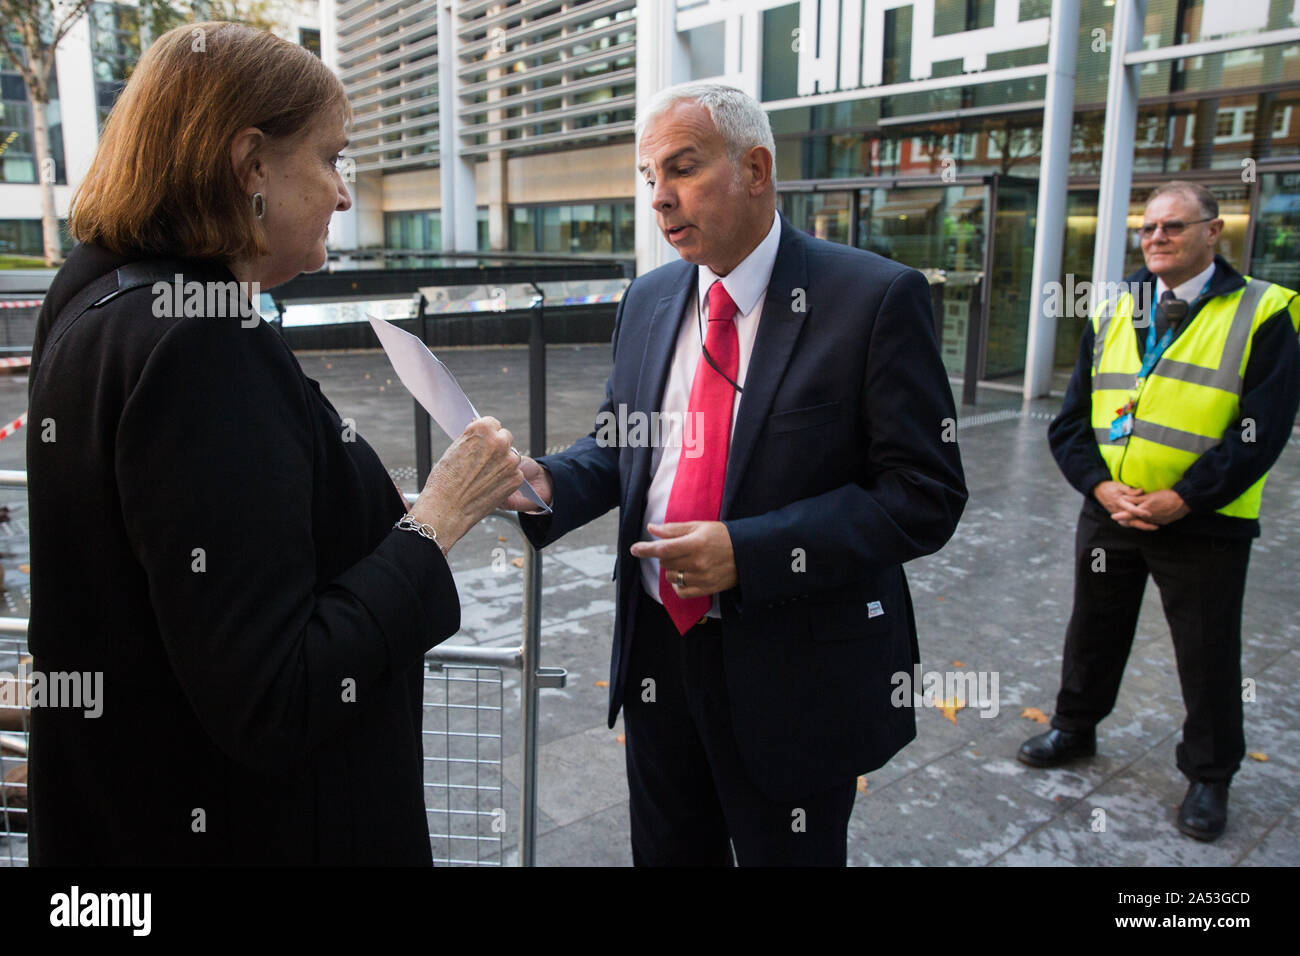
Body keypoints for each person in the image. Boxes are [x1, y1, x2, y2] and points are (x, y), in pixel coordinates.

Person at [26, 22, 524, 864]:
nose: (341, 192)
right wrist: (435, 521)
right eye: (331, 157)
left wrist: (351, 517)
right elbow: (276, 695)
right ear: (251, 165)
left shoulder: (97, 299)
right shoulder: (198, 343)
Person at [504, 82, 967, 865]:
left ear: (755, 169)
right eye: (649, 177)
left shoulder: (874, 299)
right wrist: (545, 481)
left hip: (795, 671)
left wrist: (749, 554)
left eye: (681, 169)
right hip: (658, 658)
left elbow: (925, 495)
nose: (660, 198)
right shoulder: (649, 299)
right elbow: (624, 445)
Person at [1021, 180, 1300, 841]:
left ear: (1214, 231)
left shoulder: (1265, 311)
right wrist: (1099, 486)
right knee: (1093, 628)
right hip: (1113, 511)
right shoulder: (1117, 307)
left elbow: (1262, 429)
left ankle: (1209, 775)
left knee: (1207, 651)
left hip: (1205, 519)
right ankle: (1075, 726)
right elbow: (1070, 422)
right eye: (1147, 228)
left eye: (1173, 227)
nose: (1156, 238)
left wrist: (1186, 498)